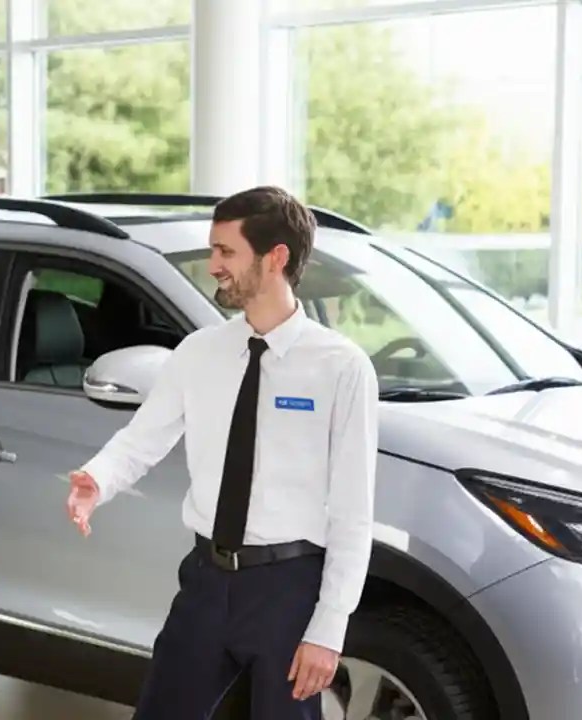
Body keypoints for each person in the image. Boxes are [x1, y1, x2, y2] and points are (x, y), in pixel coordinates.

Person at [66, 185, 379, 719]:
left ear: (275, 257)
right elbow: (145, 437)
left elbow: (353, 510)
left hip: (289, 588)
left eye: (225, 252)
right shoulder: (199, 352)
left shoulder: (341, 367)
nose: (213, 265)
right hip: (206, 581)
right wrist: (99, 479)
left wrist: (329, 628)